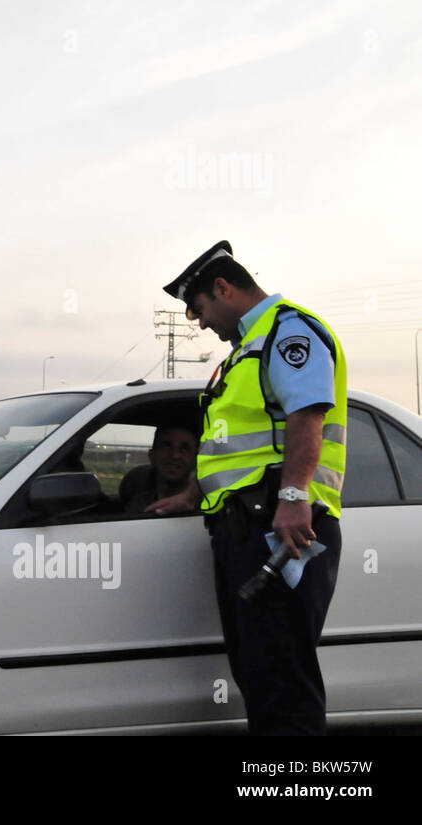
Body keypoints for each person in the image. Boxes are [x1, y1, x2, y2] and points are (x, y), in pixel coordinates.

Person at [148, 240, 347, 735]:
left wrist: (294, 497)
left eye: (198, 309)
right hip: (248, 529)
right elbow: (229, 445)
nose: (197, 322)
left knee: (282, 685)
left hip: (280, 531)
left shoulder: (286, 329)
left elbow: (308, 414)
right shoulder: (244, 355)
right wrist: (192, 495)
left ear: (223, 288)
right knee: (259, 675)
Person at [119, 425, 198, 514]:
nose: (175, 455)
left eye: (184, 449)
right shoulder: (137, 507)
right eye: (167, 446)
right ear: (152, 456)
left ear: (196, 461)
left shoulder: (207, 510)